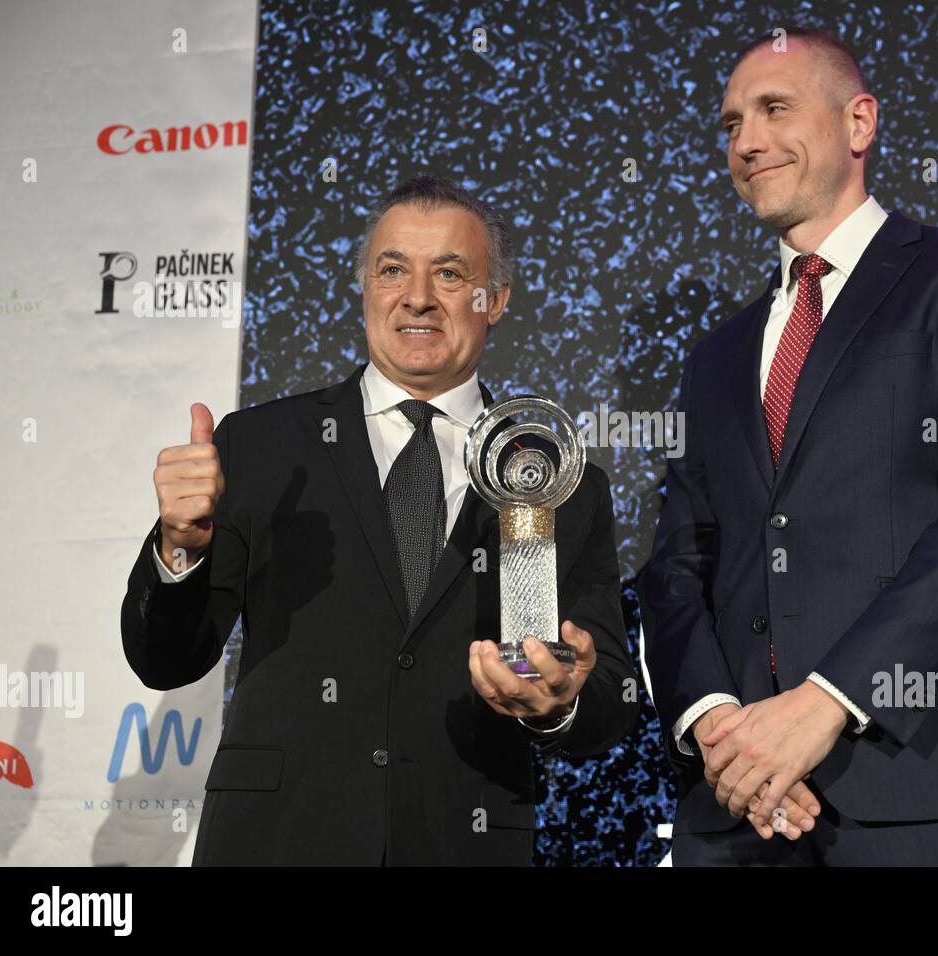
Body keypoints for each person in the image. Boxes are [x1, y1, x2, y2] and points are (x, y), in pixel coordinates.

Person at [639, 29, 938, 866]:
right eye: (731, 125)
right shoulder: (715, 357)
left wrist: (825, 704)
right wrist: (721, 728)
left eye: (774, 110)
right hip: (742, 810)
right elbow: (677, 564)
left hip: (935, 792)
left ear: (859, 123)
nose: (747, 142)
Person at [121, 173, 638, 865]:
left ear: (497, 300)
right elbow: (165, 661)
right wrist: (178, 549)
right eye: (392, 269)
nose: (416, 296)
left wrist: (560, 700)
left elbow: (606, 701)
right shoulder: (261, 446)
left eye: (450, 273)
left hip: (464, 841)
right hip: (278, 842)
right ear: (365, 287)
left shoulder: (557, 480)